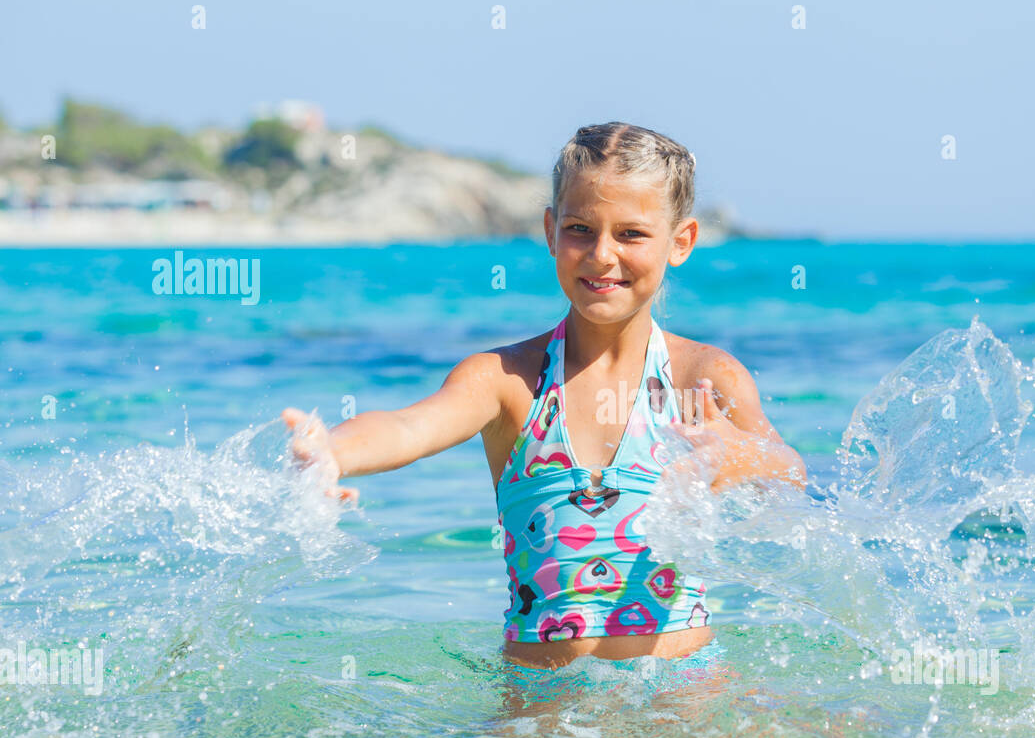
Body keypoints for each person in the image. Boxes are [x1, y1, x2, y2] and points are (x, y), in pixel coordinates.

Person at [282, 122, 805, 669]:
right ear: (551, 231)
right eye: (581, 229)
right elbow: (412, 426)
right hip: (543, 709)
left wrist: (734, 455)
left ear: (681, 242)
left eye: (631, 234)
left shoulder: (702, 378)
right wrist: (335, 453)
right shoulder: (509, 380)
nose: (602, 255)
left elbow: (789, 472)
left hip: (683, 695)